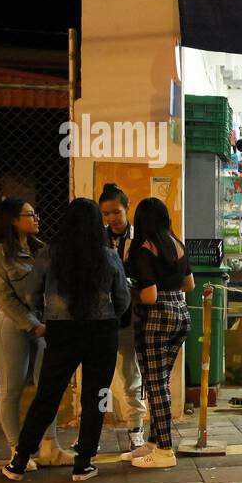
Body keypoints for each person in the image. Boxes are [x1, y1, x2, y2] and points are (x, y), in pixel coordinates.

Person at [2, 198, 129, 482]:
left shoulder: (49, 254)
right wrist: (109, 316)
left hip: (62, 331)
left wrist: (46, 315)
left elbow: (30, 295)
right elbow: (122, 298)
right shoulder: (108, 256)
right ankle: (83, 463)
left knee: (47, 394)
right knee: (96, 396)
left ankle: (19, 462)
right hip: (102, 331)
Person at [0, 198, 70, 469]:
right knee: (12, 389)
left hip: (42, 327)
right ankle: (16, 451)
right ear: (12, 220)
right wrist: (34, 325)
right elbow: (5, 299)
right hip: (10, 328)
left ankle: (50, 447)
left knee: (48, 386)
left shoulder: (42, 250)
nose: (36, 218)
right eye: (30, 214)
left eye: (35, 213)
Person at [126, 198, 195, 469]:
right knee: (161, 382)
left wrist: (132, 291)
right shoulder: (177, 244)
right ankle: (154, 442)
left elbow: (150, 295)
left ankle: (165, 450)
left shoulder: (144, 250)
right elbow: (189, 285)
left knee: (156, 385)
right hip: (180, 314)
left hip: (155, 320)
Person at [99, 183, 146, 452]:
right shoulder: (99, 238)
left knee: (131, 374)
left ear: (127, 208)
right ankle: (91, 430)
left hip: (132, 314)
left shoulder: (138, 238)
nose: (112, 219)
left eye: (116, 212)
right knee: (101, 375)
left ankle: (135, 429)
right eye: (106, 214)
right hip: (104, 316)